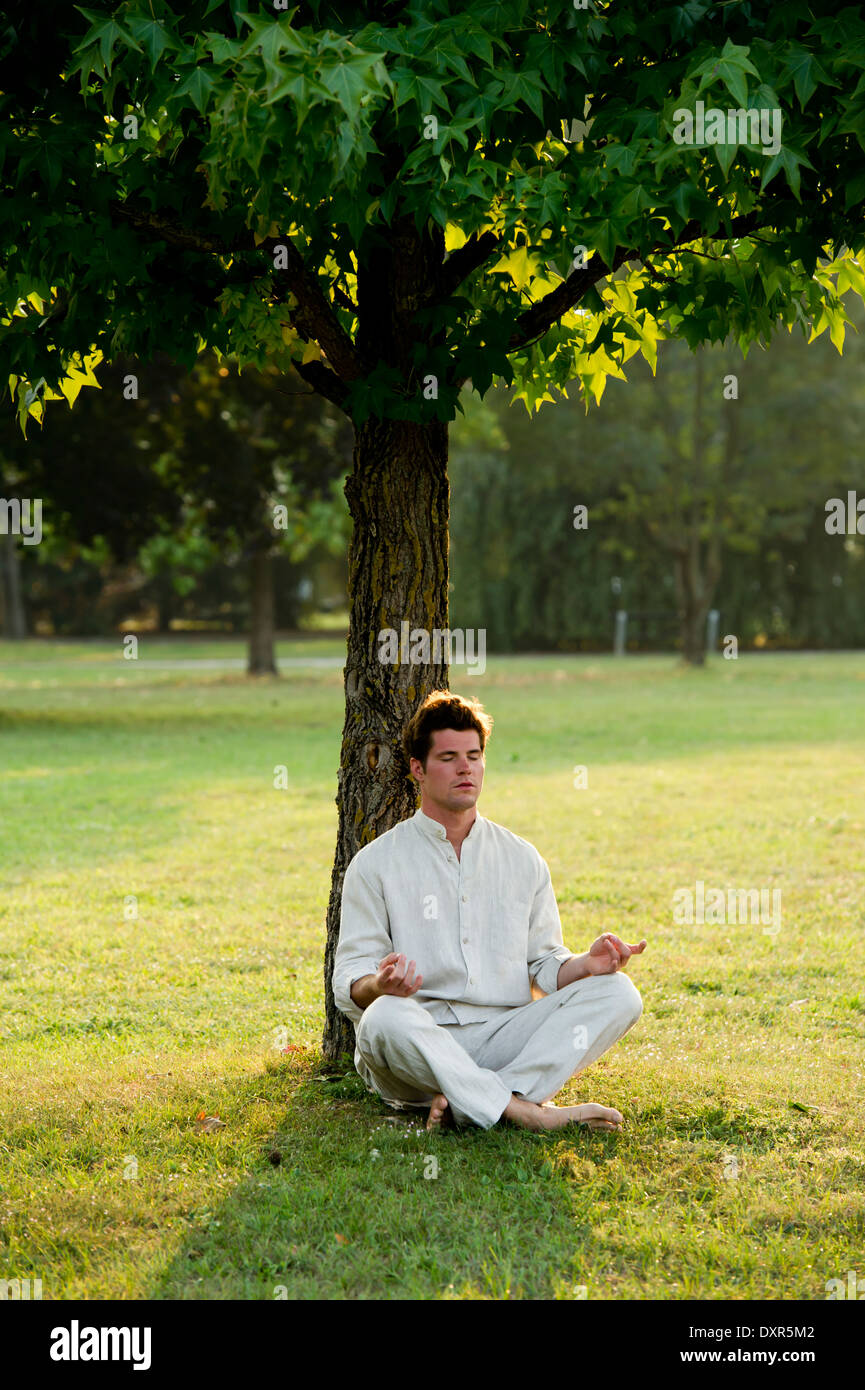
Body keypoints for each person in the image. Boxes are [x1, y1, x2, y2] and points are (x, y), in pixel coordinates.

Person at [332, 690, 646, 1133]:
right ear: (418, 769)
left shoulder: (522, 858)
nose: (465, 768)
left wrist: (585, 965)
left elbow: (544, 965)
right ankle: (524, 1112)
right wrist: (379, 985)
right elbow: (351, 980)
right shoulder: (376, 863)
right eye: (448, 758)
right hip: (419, 1045)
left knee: (619, 993)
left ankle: (474, 1101)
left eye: (474, 756)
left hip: (504, 1039)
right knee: (382, 1017)